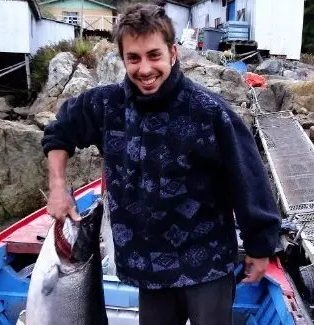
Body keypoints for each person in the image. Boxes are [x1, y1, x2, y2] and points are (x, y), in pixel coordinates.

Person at [42, 3, 281, 325]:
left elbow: (249, 179)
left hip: (206, 260)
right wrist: (58, 186)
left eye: (154, 55)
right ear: (123, 58)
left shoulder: (209, 113)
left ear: (172, 52)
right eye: (134, 58)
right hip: (147, 265)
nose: (144, 69)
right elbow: (59, 132)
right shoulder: (105, 105)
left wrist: (260, 244)